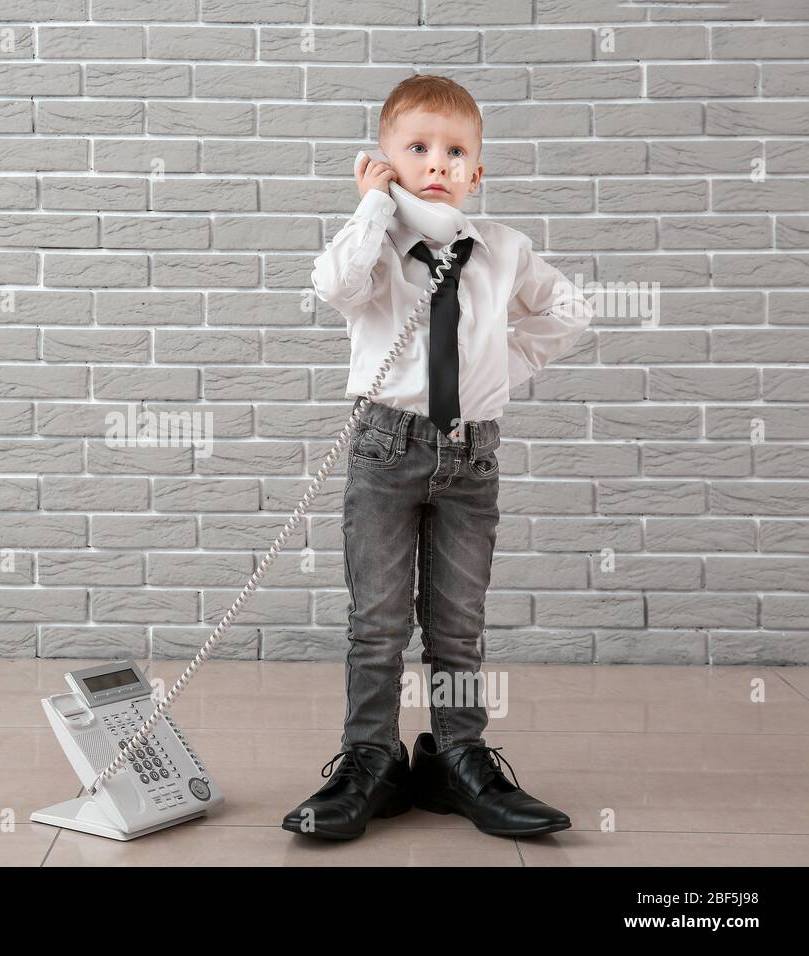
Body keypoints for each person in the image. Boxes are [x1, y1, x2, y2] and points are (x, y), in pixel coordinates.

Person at [281, 74, 593, 841]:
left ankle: (456, 754)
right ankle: (370, 759)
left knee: (457, 627)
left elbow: (570, 312)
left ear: (476, 171)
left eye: (455, 152)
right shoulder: (377, 245)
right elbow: (334, 286)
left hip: (470, 460)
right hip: (387, 448)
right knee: (378, 623)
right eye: (416, 149)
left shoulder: (504, 250)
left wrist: (497, 365)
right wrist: (372, 207)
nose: (437, 164)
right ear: (384, 161)